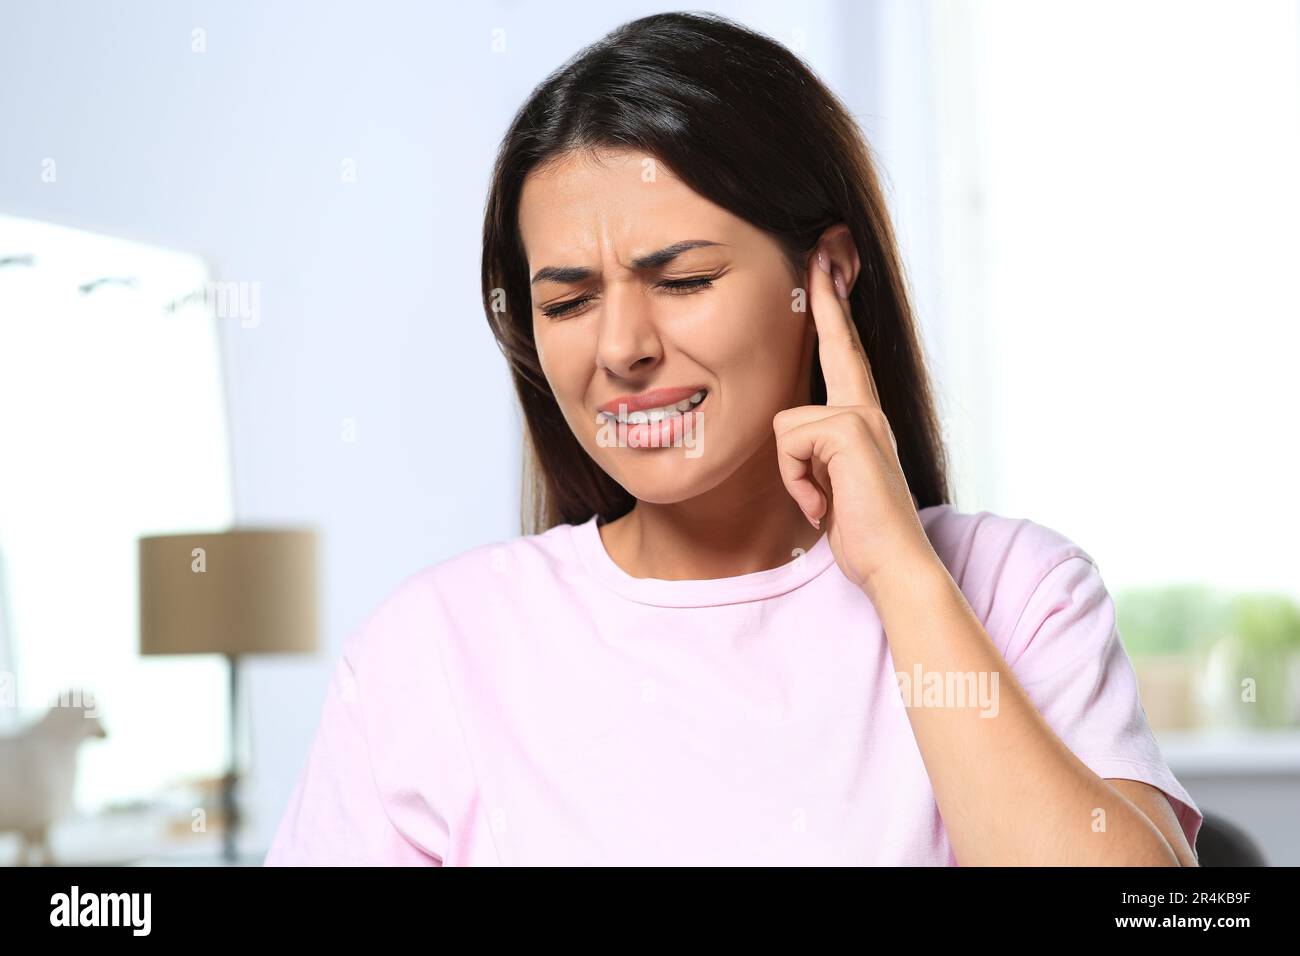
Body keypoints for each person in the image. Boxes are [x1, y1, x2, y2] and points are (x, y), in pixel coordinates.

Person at [265, 11, 1201, 866]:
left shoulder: (1016, 591)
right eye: (570, 301)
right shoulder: (431, 652)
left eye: (682, 281)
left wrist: (902, 575)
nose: (622, 349)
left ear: (826, 276)